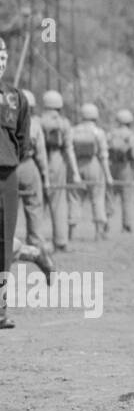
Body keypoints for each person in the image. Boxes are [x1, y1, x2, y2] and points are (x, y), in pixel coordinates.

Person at [0, 38, 32, 330]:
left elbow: (23, 138)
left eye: (2, 56)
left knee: (4, 242)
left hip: (7, 175)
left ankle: (0, 310)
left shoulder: (16, 98)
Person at [16, 89, 55, 275]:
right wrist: (46, 178)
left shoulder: (5, 119)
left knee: (7, 210)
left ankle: (12, 241)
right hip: (28, 166)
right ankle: (36, 244)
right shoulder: (35, 124)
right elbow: (41, 154)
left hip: (9, 168)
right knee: (34, 206)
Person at [39, 90, 80, 251]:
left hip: (38, 161)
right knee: (59, 202)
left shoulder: (38, 121)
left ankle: (36, 240)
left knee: (37, 204)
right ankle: (61, 241)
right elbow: (69, 149)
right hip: (58, 161)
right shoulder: (64, 123)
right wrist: (75, 172)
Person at [69, 103, 111, 241]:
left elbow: (69, 150)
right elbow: (103, 155)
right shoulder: (99, 132)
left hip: (77, 165)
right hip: (94, 165)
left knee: (75, 199)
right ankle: (98, 232)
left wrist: (74, 171)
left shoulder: (73, 130)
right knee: (97, 198)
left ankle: (72, 232)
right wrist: (108, 175)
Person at [106, 109, 134, 233]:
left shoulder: (110, 134)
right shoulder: (130, 135)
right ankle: (127, 225)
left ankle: (104, 221)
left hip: (111, 166)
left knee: (109, 196)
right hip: (126, 167)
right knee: (127, 197)